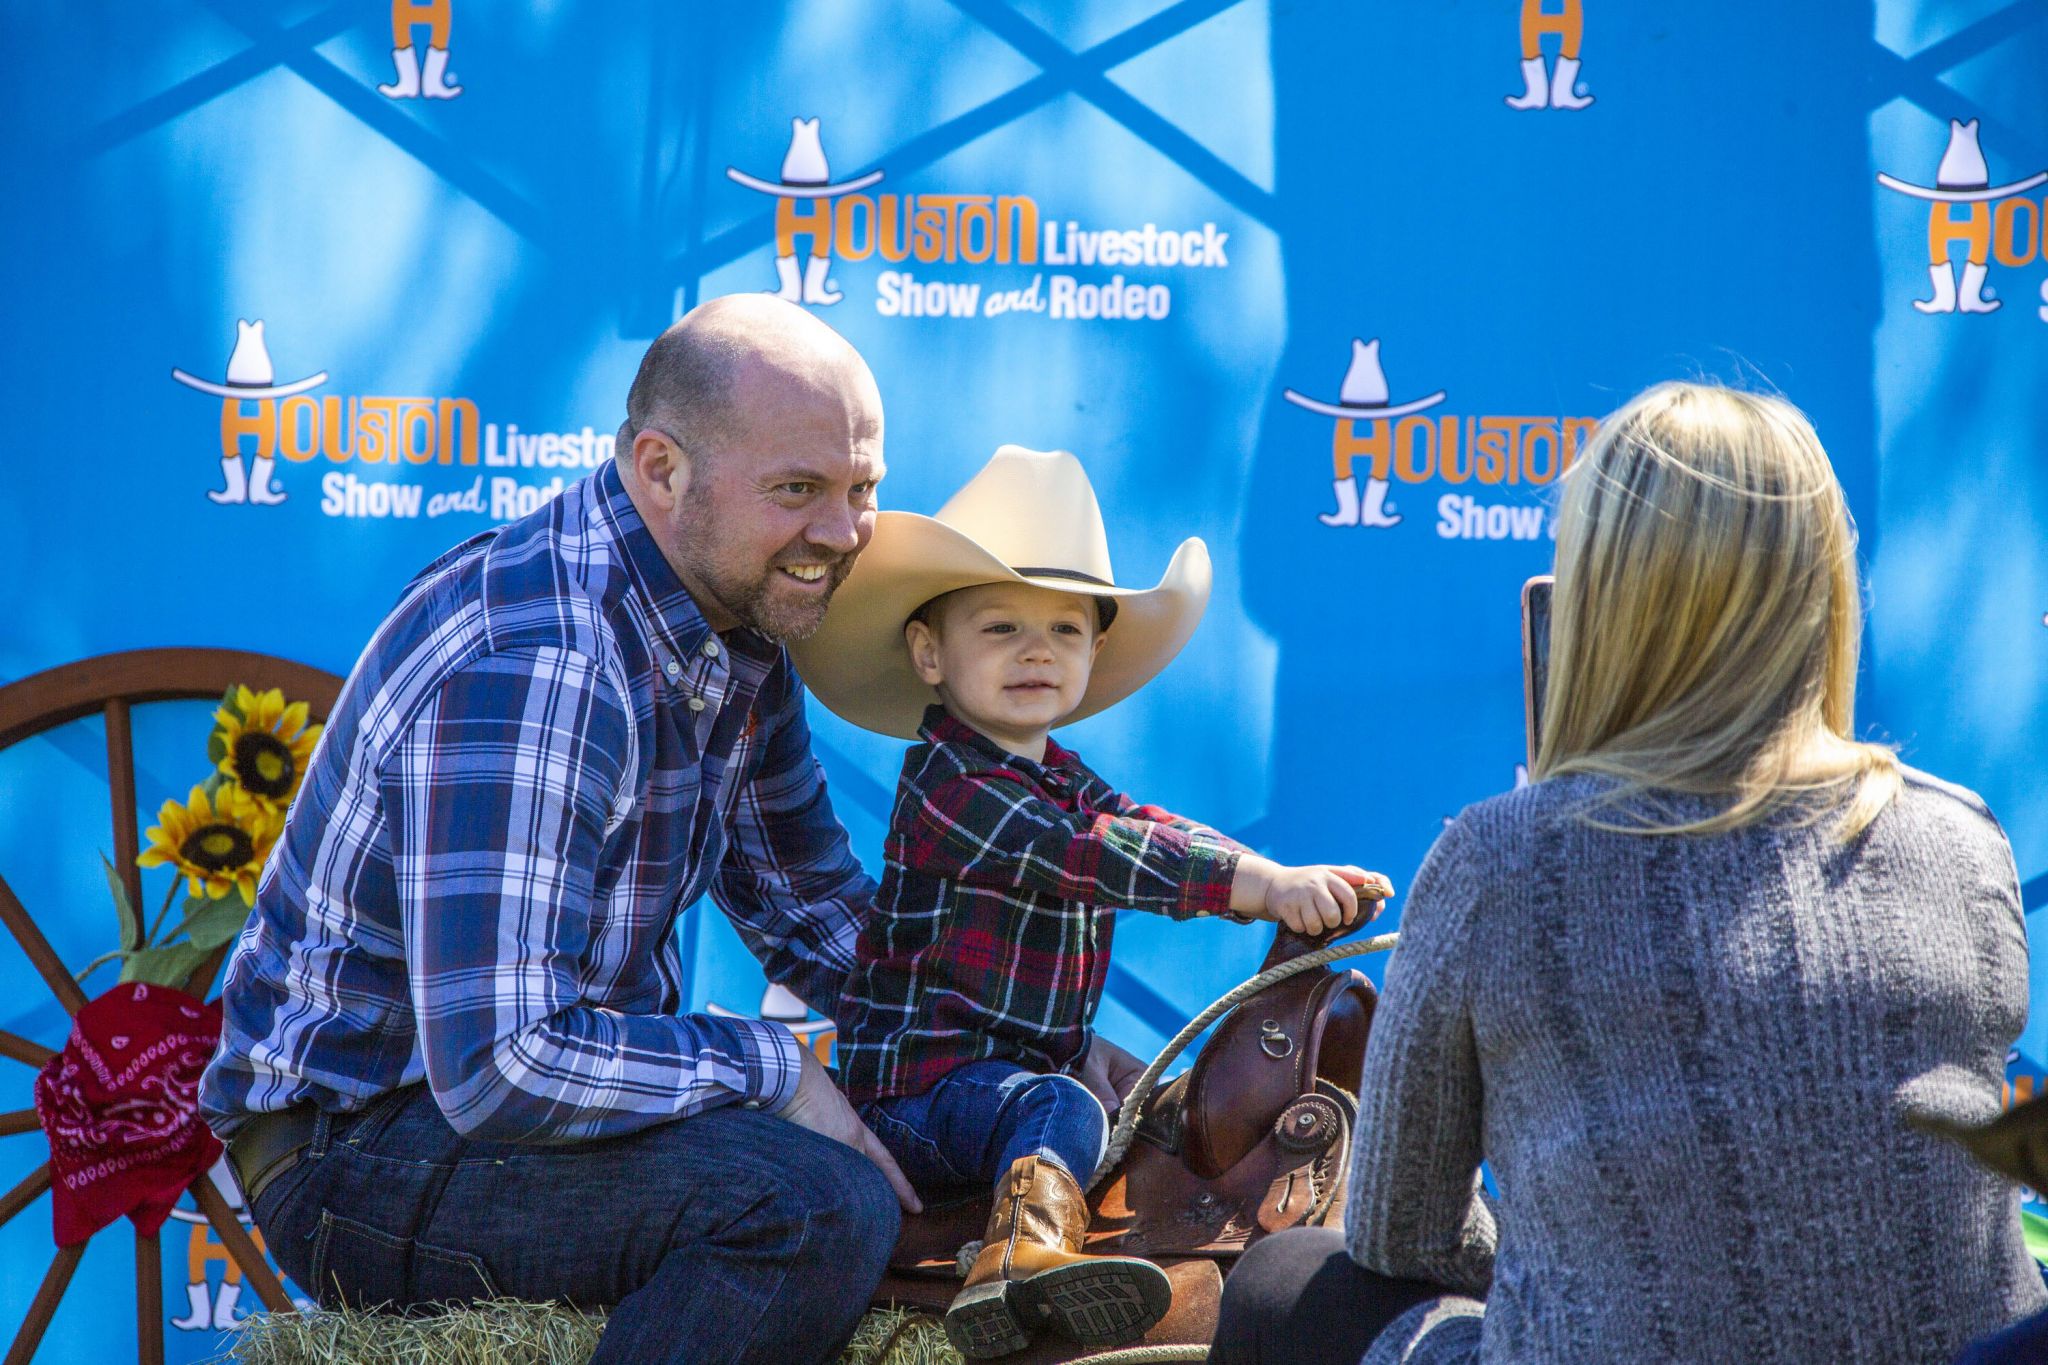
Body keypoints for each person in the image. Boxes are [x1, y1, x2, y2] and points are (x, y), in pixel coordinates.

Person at [1211, 382, 2048, 1364]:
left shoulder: (1493, 857)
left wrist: (1585, 1265)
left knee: (1279, 1285)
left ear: (1593, 600)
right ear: (1820, 587)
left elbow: (1401, 1233)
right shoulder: (1961, 835)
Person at [198, 295, 921, 1365]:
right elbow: (504, 1063)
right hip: (354, 1145)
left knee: (941, 1130)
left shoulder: (736, 619)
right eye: (797, 490)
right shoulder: (543, 660)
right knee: (808, 1206)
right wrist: (770, 1065)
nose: (843, 532)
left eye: (862, 489)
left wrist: (1012, 1037)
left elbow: (811, 909)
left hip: (492, 1106)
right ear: (661, 469)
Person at [789, 445, 1389, 1359]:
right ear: (928, 651)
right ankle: (1021, 1260)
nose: (1037, 650)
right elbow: (1092, 857)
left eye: (1065, 630)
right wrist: (1261, 888)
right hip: (917, 1096)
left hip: (995, 1082)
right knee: (1063, 1106)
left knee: (1121, 1104)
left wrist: (1270, 872)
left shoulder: (1060, 775)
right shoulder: (952, 785)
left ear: (1095, 649)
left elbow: (1142, 822)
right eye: (1000, 628)